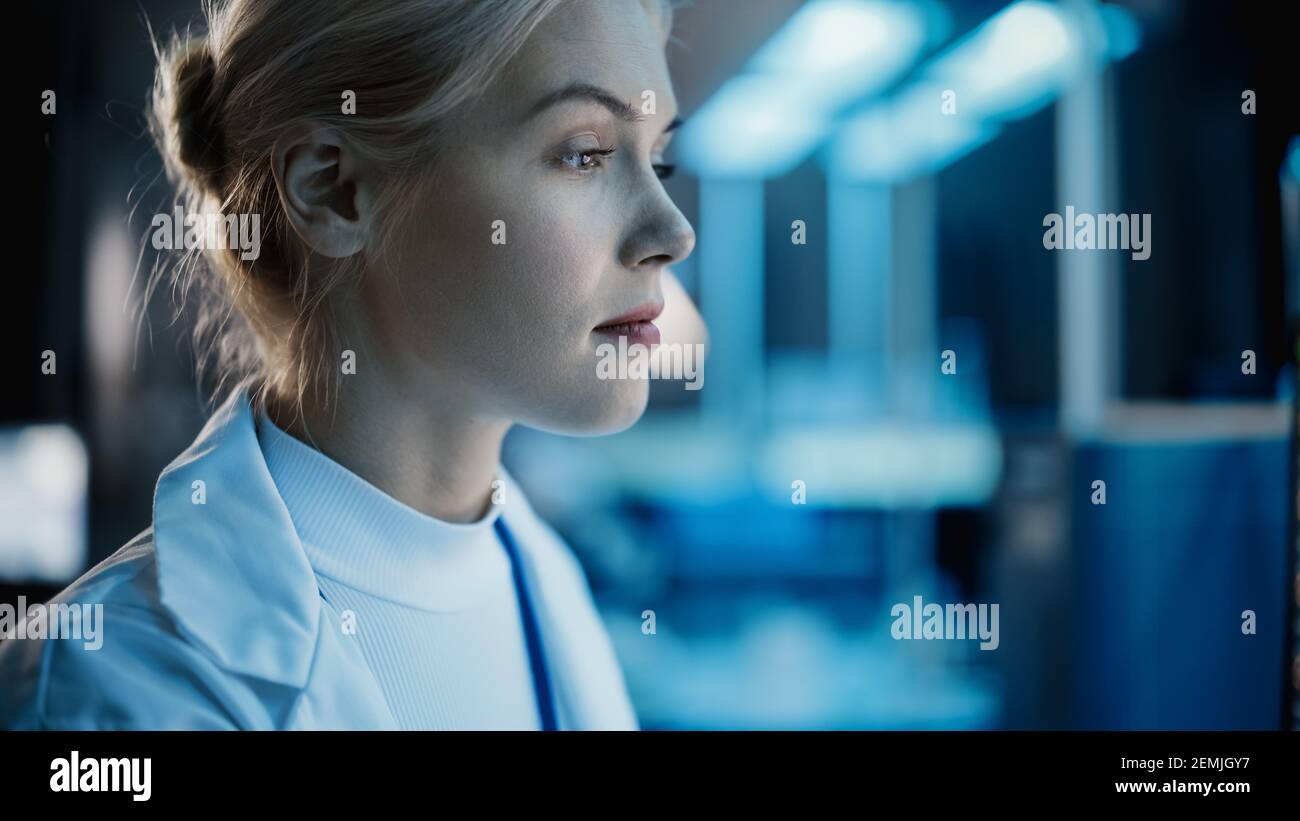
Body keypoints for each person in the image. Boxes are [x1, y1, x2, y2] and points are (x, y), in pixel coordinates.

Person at [0, 0, 701, 730]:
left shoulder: (544, 584)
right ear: (332, 191)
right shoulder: (108, 691)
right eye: (584, 153)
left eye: (659, 159)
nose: (673, 232)